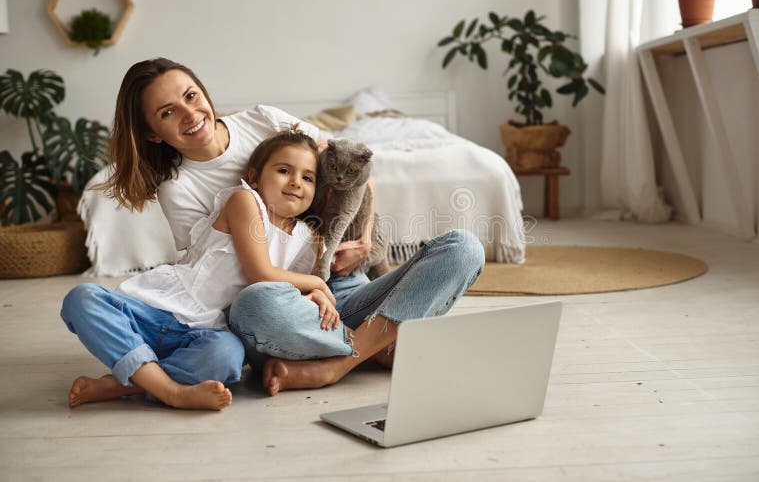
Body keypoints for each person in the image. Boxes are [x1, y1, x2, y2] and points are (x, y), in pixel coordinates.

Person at [65, 57, 485, 400]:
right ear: (153, 134)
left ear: (204, 92)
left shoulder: (262, 120)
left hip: (339, 295)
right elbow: (231, 283)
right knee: (256, 305)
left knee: (463, 248)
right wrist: (310, 287)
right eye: (168, 112)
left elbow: (355, 171)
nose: (191, 114)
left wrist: (363, 240)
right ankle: (383, 341)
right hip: (279, 305)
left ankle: (340, 363)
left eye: (191, 96)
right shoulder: (190, 191)